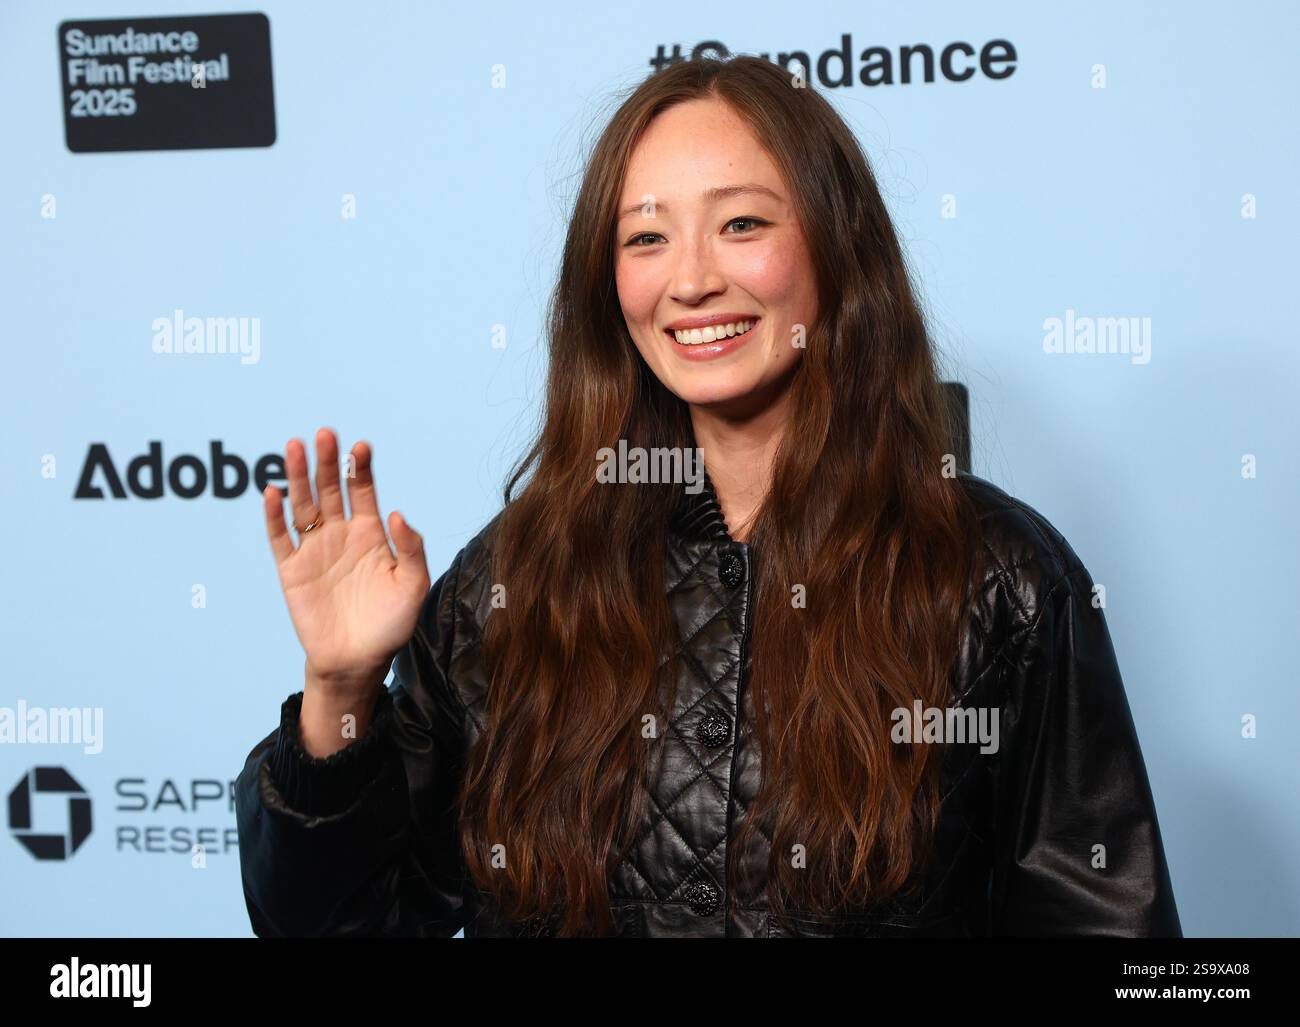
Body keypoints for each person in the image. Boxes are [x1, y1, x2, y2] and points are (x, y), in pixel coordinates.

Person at [234, 55, 1181, 938]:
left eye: (742, 224)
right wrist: (341, 693)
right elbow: (336, 923)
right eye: (646, 237)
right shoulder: (515, 578)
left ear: (836, 248)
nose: (690, 280)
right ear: (610, 287)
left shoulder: (999, 578)